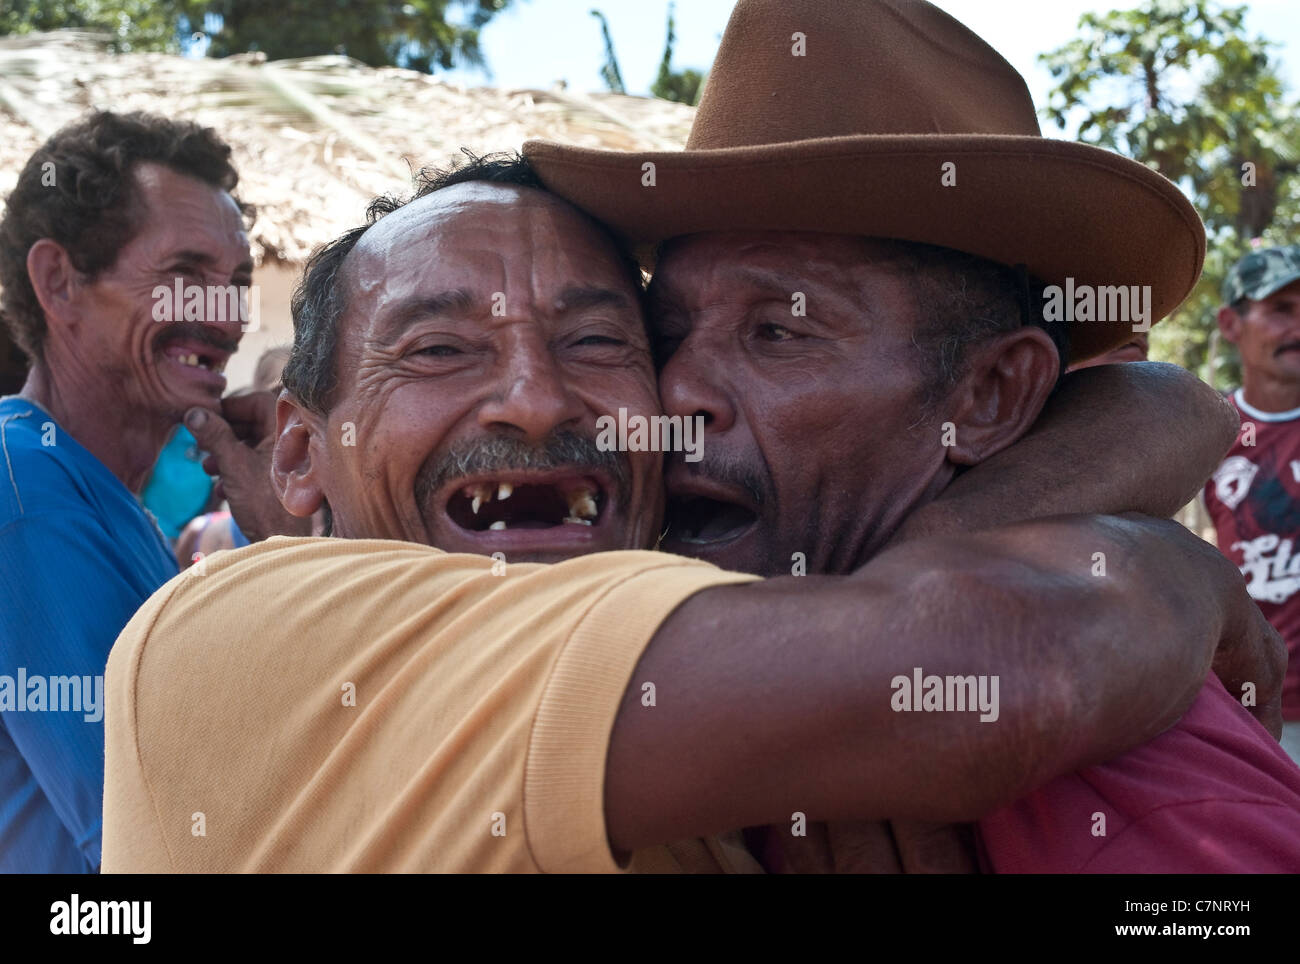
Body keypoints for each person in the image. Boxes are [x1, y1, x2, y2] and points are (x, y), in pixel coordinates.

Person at [101, 155, 1281, 871]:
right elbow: (1006, 665)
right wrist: (1169, 566)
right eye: (440, 347)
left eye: (605, 340)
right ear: (299, 454)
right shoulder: (245, 631)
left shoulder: (730, 676)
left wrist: (1157, 423)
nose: (534, 396)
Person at [522, 0, 1300, 872]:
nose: (677, 393)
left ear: (991, 395)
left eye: (779, 331)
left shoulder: (1141, 789)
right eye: (664, 336)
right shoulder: (563, 643)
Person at [0, 111, 256, 872]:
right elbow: (162, 842)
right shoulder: (26, 487)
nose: (229, 316)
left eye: (237, 283)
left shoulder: (95, 495)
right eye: (184, 276)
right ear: (59, 283)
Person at [1205, 244, 1300, 763]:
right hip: (1248, 711)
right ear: (1230, 323)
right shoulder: (1200, 434)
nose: (1297, 328)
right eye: (1281, 309)